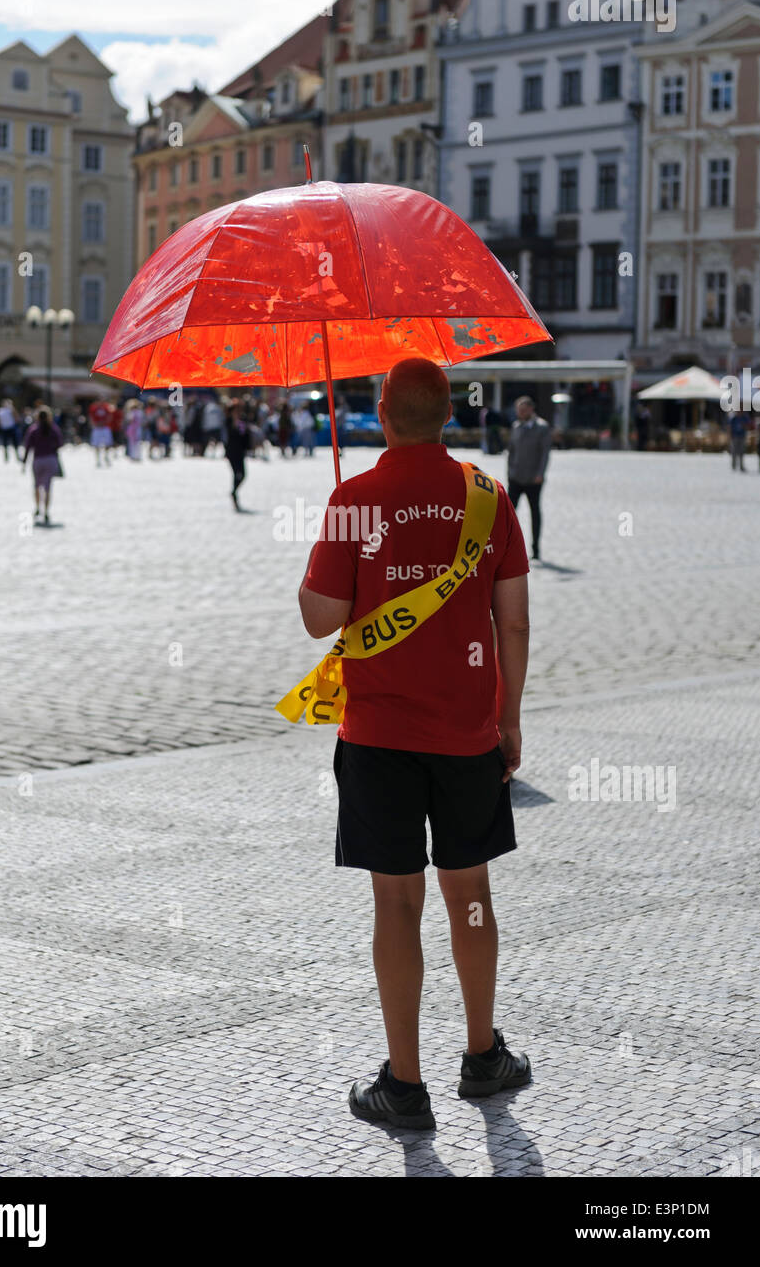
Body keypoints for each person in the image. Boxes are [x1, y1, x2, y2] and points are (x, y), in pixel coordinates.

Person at [298, 357, 532, 1131]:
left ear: (381, 415)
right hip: (466, 731)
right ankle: (481, 1056)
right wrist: (509, 719)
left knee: (396, 900)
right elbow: (514, 622)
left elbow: (319, 617)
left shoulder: (353, 499)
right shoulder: (486, 498)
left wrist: (335, 546)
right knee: (469, 895)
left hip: (378, 736)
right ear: (448, 416)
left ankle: (404, 1086)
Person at [507, 396, 551, 563]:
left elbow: (545, 453)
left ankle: (535, 549)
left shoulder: (542, 427)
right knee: (509, 514)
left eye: (524, 409)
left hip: (534, 479)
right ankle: (508, 547)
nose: (521, 412)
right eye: (519, 410)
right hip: (516, 477)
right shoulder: (516, 426)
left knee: (535, 512)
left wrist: (540, 473)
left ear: (531, 409)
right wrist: (510, 472)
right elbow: (511, 451)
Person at [22, 405, 63, 524]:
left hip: (38, 460)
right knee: (48, 487)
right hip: (50, 459)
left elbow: (28, 447)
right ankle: (46, 511)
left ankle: (37, 507)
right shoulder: (54, 429)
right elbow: (60, 443)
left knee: (36, 486)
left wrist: (24, 463)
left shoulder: (33, 429)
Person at [224, 400, 250, 511]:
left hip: (240, 451)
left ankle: (234, 491)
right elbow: (228, 434)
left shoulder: (242, 421)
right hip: (231, 451)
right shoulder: (228, 421)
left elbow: (244, 434)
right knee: (236, 473)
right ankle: (234, 494)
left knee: (243, 474)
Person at [88, 396, 115, 466]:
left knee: (108, 443)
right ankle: (98, 459)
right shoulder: (93, 407)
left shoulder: (106, 407)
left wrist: (104, 423)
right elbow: (91, 417)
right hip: (97, 428)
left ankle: (106, 456)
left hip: (105, 427)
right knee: (96, 444)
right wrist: (95, 424)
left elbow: (110, 416)